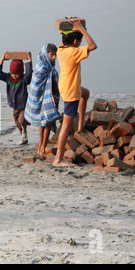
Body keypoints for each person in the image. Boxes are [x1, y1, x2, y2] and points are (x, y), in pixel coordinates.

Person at [53, 18, 97, 167]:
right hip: (71, 91)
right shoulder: (73, 52)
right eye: (79, 41)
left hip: (66, 85)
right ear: (75, 42)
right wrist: (83, 30)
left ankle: (80, 127)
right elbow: (93, 46)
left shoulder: (61, 48)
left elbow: (65, 35)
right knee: (66, 125)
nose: (80, 43)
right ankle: (58, 159)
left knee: (86, 93)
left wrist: (73, 28)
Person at [25, 44, 61, 159]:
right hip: (44, 102)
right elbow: (35, 87)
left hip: (48, 101)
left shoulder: (43, 68)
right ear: (45, 55)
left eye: (55, 55)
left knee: (44, 123)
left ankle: (41, 146)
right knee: (46, 123)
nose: (54, 57)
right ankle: (43, 146)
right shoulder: (43, 70)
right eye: (51, 55)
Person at [0, 52, 33, 145]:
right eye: (13, 73)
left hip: (24, 105)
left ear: (21, 73)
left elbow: (29, 75)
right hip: (15, 106)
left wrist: (29, 60)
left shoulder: (23, 79)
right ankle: (24, 137)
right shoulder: (8, 78)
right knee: (17, 123)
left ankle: (25, 125)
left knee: (21, 120)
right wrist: (2, 59)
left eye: (17, 74)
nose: (14, 75)